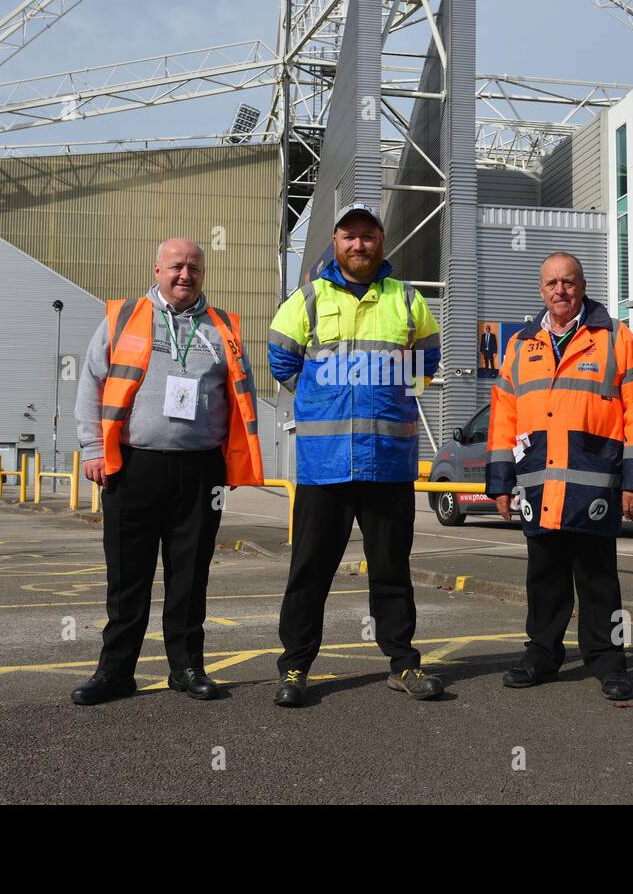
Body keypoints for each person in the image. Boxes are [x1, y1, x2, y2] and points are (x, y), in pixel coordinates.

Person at [71, 238, 263, 705]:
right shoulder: (122, 318)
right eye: (176, 266)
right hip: (133, 466)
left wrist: (234, 461)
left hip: (201, 471)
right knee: (128, 578)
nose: (185, 275)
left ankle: (186, 668)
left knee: (190, 576)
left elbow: (243, 396)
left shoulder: (223, 329)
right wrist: (94, 447)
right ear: (156, 269)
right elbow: (92, 383)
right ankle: (115, 673)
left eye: (194, 268)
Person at [267, 203, 442, 707]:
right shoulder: (307, 300)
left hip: (388, 461)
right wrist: (322, 395)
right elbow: (281, 359)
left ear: (380, 242)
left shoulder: (407, 301)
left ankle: (403, 664)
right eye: (349, 236)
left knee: (392, 570)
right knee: (309, 571)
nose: (358, 245)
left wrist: (390, 394)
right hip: (326, 465)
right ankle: (295, 666)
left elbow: (425, 363)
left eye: (367, 236)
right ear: (336, 243)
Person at [486, 252, 633, 700]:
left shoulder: (615, 337)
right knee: (544, 577)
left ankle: (609, 662)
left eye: (568, 281)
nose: (560, 290)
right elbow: (503, 415)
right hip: (539, 485)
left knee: (599, 579)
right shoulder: (521, 345)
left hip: (595, 485)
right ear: (540, 291)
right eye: (551, 284)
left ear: (582, 285)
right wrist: (500, 482)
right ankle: (541, 655)